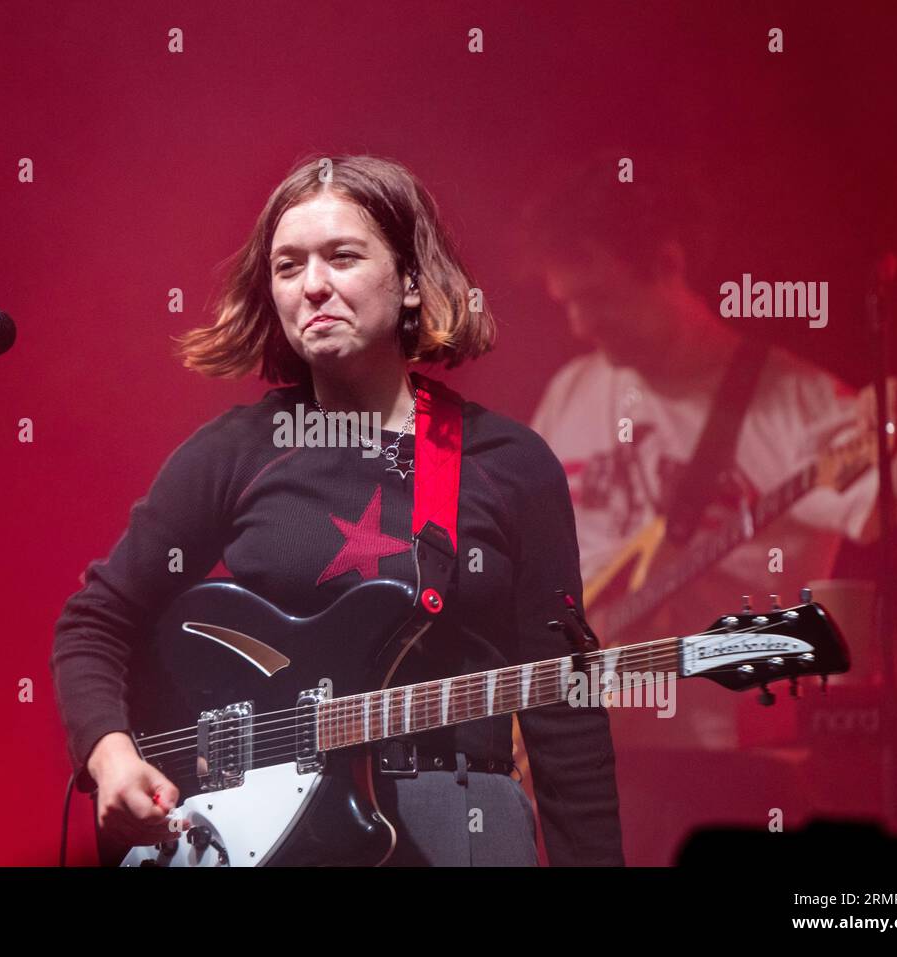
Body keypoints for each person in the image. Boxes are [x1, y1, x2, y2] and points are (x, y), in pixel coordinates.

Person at [50, 154, 624, 866]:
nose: (313, 284)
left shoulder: (510, 463)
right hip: (276, 839)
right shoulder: (236, 450)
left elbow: (564, 710)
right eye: (288, 267)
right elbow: (96, 620)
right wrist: (110, 752)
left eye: (342, 256)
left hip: (461, 825)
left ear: (412, 280)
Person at [523, 158, 897, 751]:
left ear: (667, 263)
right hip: (570, 749)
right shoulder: (572, 389)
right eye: (567, 303)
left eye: (597, 298)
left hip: (716, 751)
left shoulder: (789, 399)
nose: (579, 324)